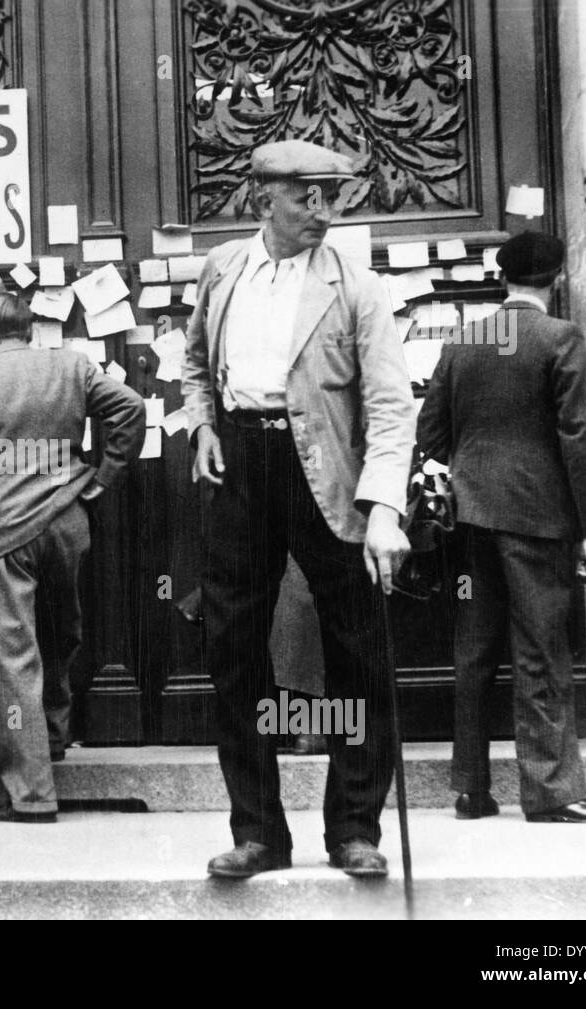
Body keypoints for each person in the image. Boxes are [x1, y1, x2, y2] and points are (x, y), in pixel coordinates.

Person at [183, 140, 415, 879]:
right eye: (305, 195)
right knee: (232, 650)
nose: (322, 209)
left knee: (358, 651)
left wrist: (383, 506)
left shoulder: (357, 284)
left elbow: (389, 403)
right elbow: (193, 361)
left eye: (329, 194)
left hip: (329, 472)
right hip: (243, 466)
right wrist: (202, 426)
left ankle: (353, 829)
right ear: (263, 200)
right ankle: (257, 832)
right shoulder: (222, 269)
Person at [417, 231, 586, 824]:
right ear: (556, 277)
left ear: (503, 277)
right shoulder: (559, 336)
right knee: (540, 652)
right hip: (536, 516)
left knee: (474, 652)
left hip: (470, 514)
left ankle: (470, 790)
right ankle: (553, 793)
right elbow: (580, 437)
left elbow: (430, 432)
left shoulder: (465, 338)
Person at [0, 293, 145, 821]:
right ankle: (51, 739)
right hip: (67, 519)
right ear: (29, 328)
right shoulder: (73, 364)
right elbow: (131, 408)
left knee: (13, 658)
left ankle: (32, 795)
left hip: (4, 528)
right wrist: (103, 478)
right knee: (60, 633)